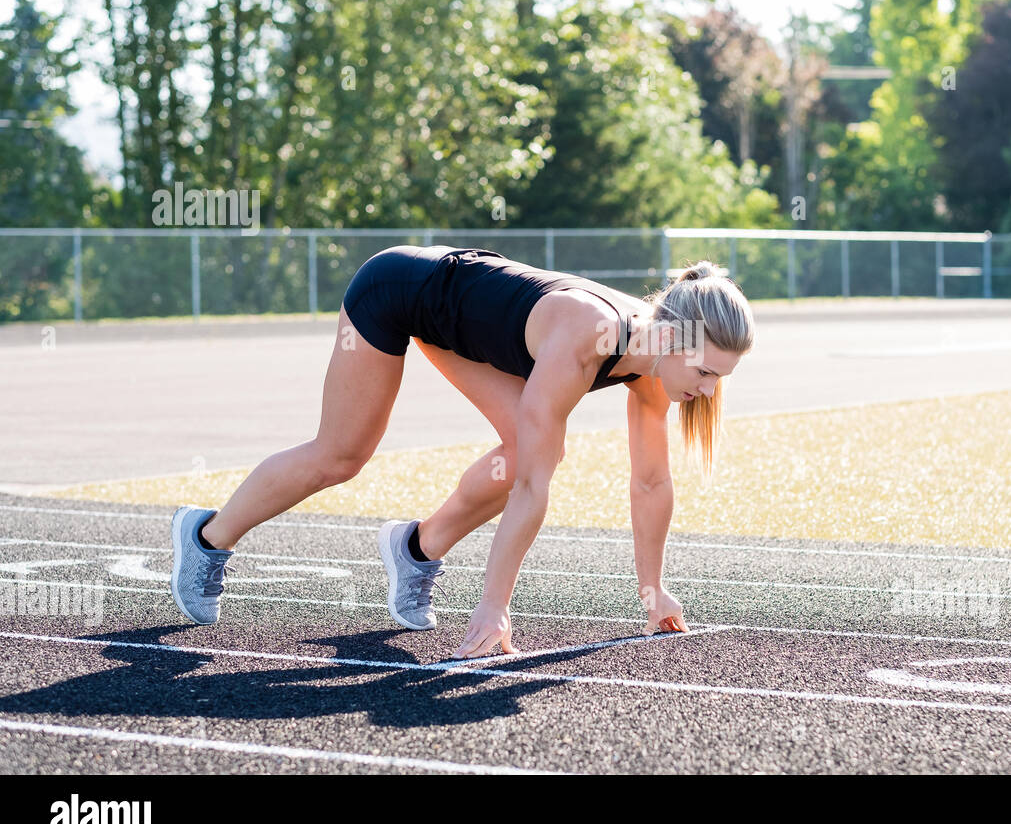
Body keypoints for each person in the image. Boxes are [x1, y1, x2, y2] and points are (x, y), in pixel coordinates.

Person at [169, 244, 754, 658]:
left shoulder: (654, 364)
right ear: (674, 335)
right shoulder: (588, 336)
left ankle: (417, 549)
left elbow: (651, 483)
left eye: (717, 379)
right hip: (400, 292)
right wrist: (494, 607)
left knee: (529, 450)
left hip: (469, 324)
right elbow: (532, 486)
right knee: (341, 456)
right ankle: (205, 538)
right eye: (704, 371)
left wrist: (651, 591)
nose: (706, 390)